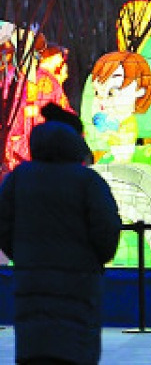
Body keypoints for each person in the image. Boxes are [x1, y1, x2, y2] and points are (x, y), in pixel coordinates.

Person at [0, 116, 122, 365]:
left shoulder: (18, 179)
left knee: (37, 346)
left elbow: (3, 226)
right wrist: (95, 259)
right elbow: (107, 229)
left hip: (31, 283)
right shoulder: (88, 181)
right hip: (79, 284)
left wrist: (24, 256)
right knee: (73, 349)